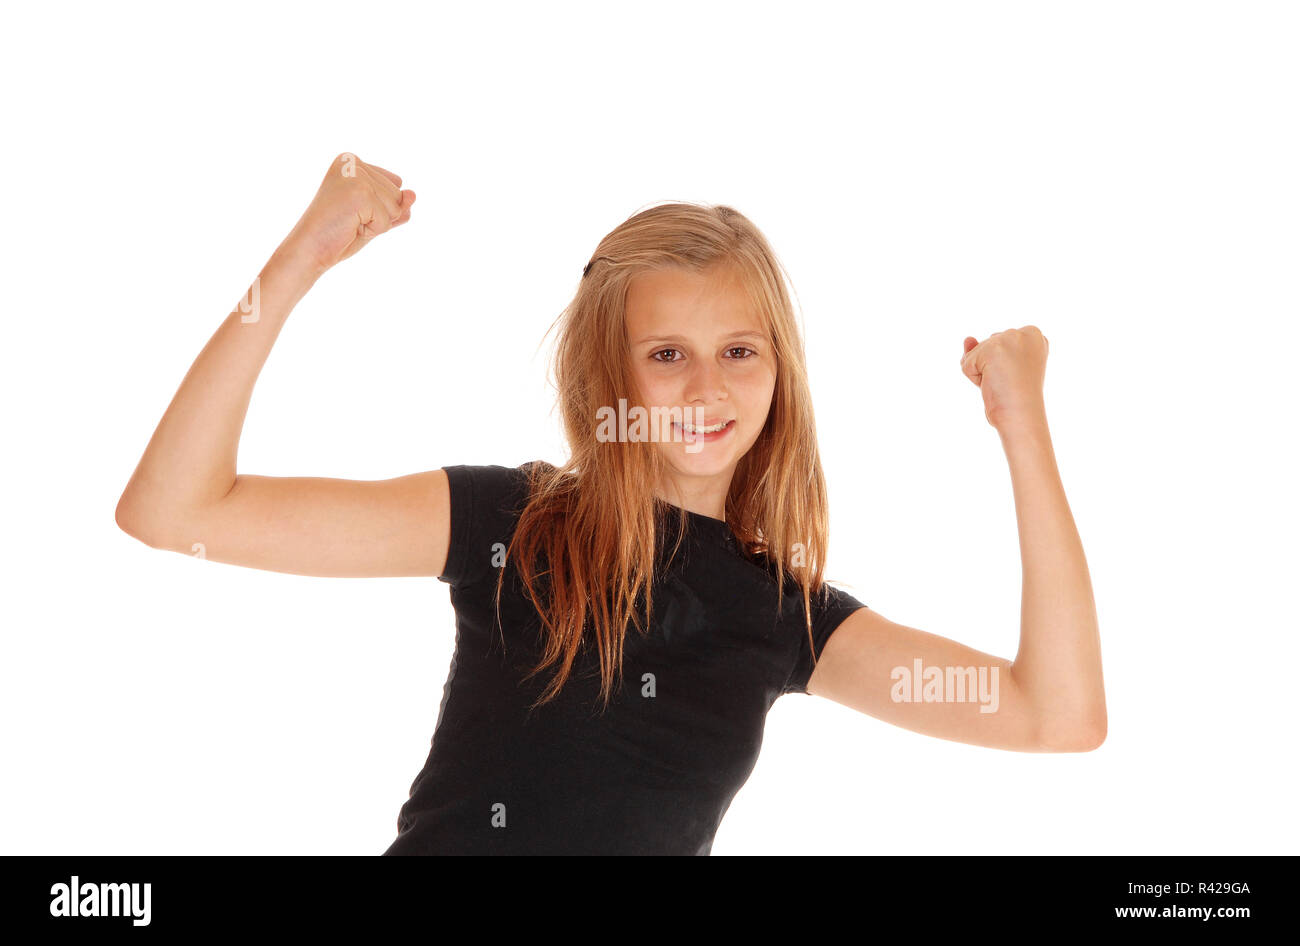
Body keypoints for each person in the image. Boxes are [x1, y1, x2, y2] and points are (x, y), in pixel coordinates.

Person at [116, 152, 1107, 855]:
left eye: (738, 351)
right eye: (666, 354)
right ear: (613, 373)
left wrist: (1019, 422)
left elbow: (1052, 714)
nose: (706, 389)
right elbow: (174, 512)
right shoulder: (509, 525)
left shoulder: (787, 618)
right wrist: (300, 260)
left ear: (778, 374)